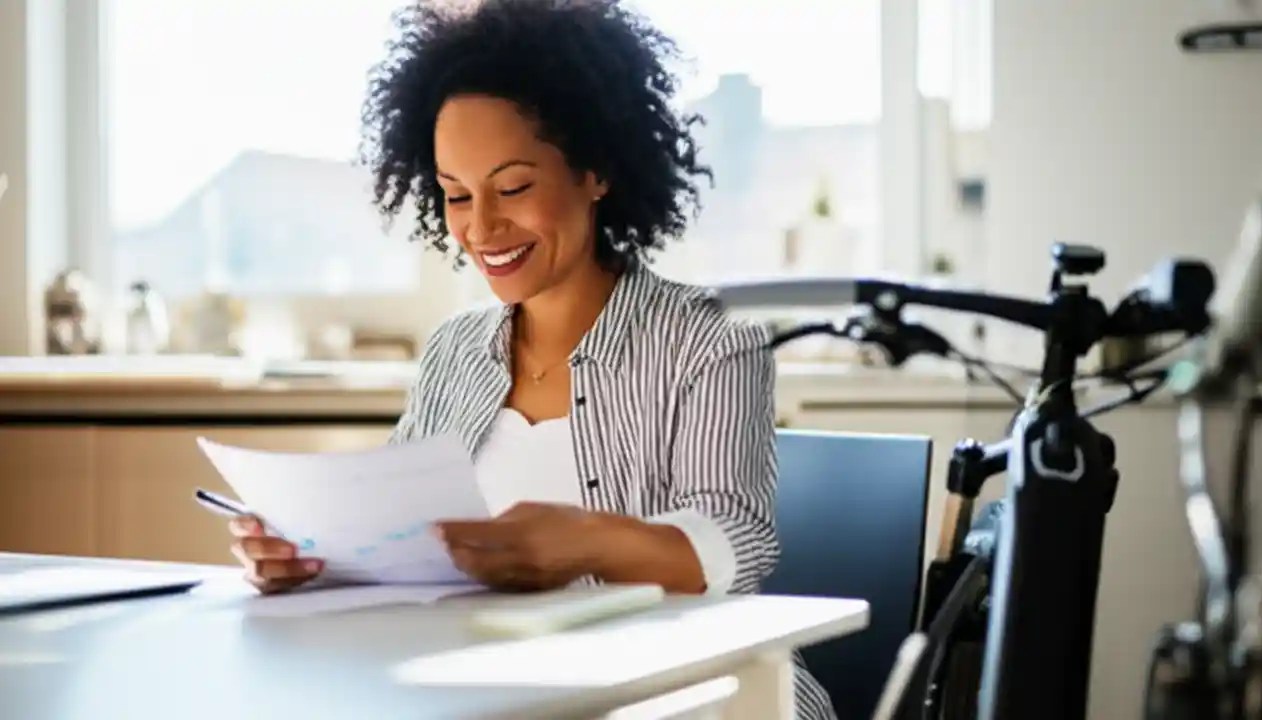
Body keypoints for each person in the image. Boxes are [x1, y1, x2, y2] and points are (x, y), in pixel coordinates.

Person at [225, 1, 836, 717]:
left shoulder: (710, 336)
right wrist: (315, 561)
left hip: (697, 698)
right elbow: (403, 544)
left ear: (596, 171)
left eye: (513, 187)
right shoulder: (455, 352)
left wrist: (584, 542)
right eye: (456, 195)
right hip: (507, 693)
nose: (481, 228)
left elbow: (739, 544)